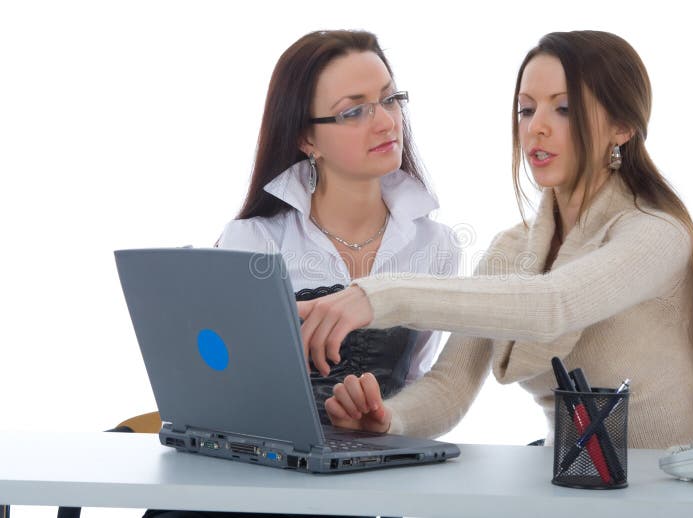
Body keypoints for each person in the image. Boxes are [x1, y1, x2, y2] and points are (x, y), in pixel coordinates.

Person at [297, 30, 693, 448]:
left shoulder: (657, 233)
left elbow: (554, 304)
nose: (536, 127)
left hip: (669, 488)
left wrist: (377, 296)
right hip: (573, 483)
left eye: (564, 109)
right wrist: (388, 420)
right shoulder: (512, 249)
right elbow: (451, 386)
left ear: (622, 127)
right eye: (526, 109)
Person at [141, 29, 458, 518]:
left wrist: (384, 417)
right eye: (354, 111)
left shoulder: (435, 246)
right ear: (307, 138)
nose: (385, 121)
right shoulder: (254, 240)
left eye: (390, 99)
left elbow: (425, 386)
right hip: (253, 482)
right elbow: (219, 388)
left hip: (375, 481)